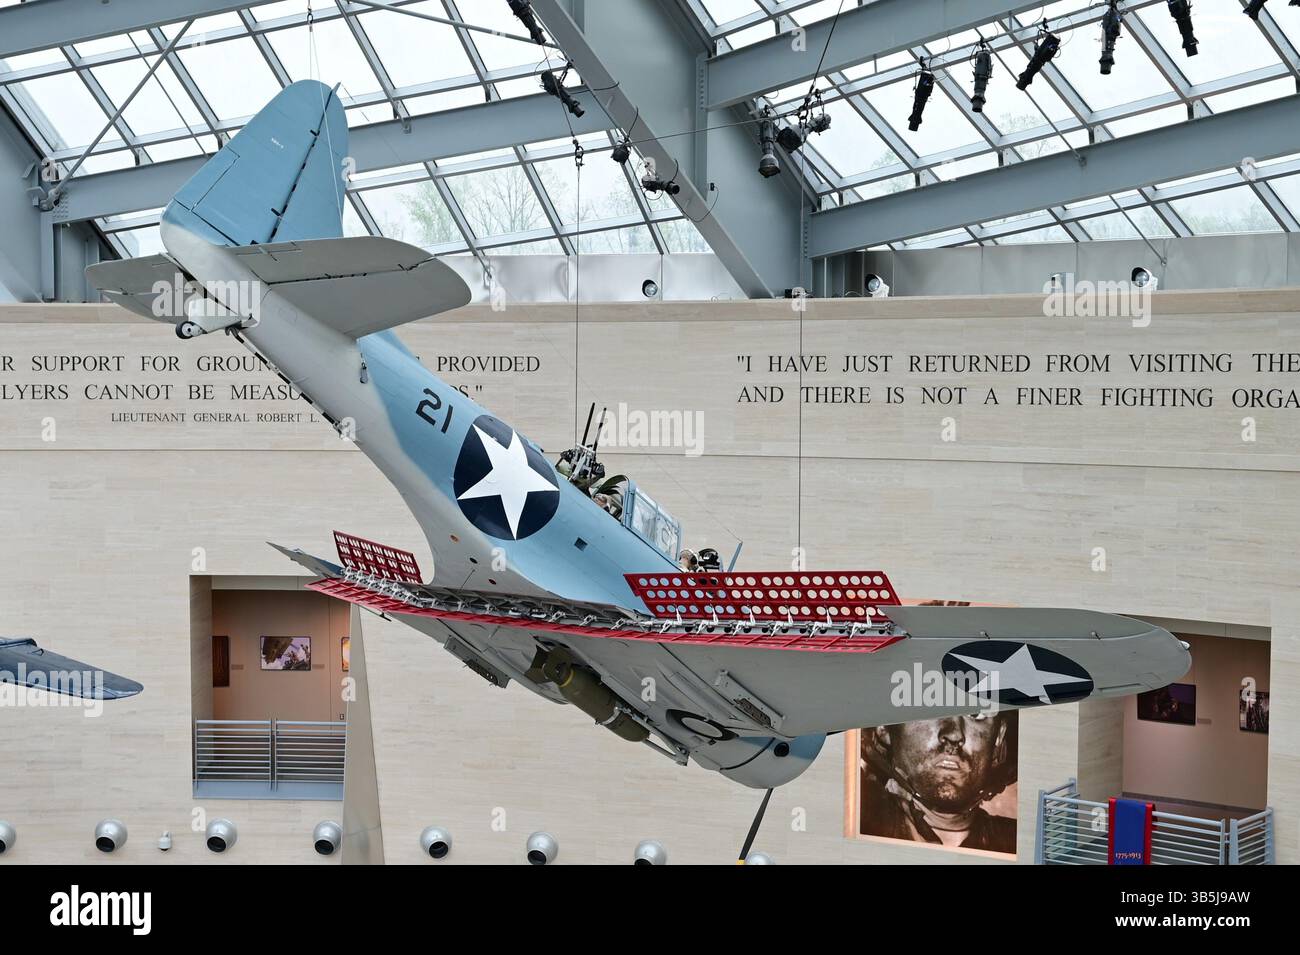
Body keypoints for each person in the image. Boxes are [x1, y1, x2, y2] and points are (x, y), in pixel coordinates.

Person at [860, 712, 1016, 853]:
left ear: (999, 735)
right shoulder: (857, 819)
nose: (954, 735)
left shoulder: (1015, 844)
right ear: (884, 726)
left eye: (975, 714)